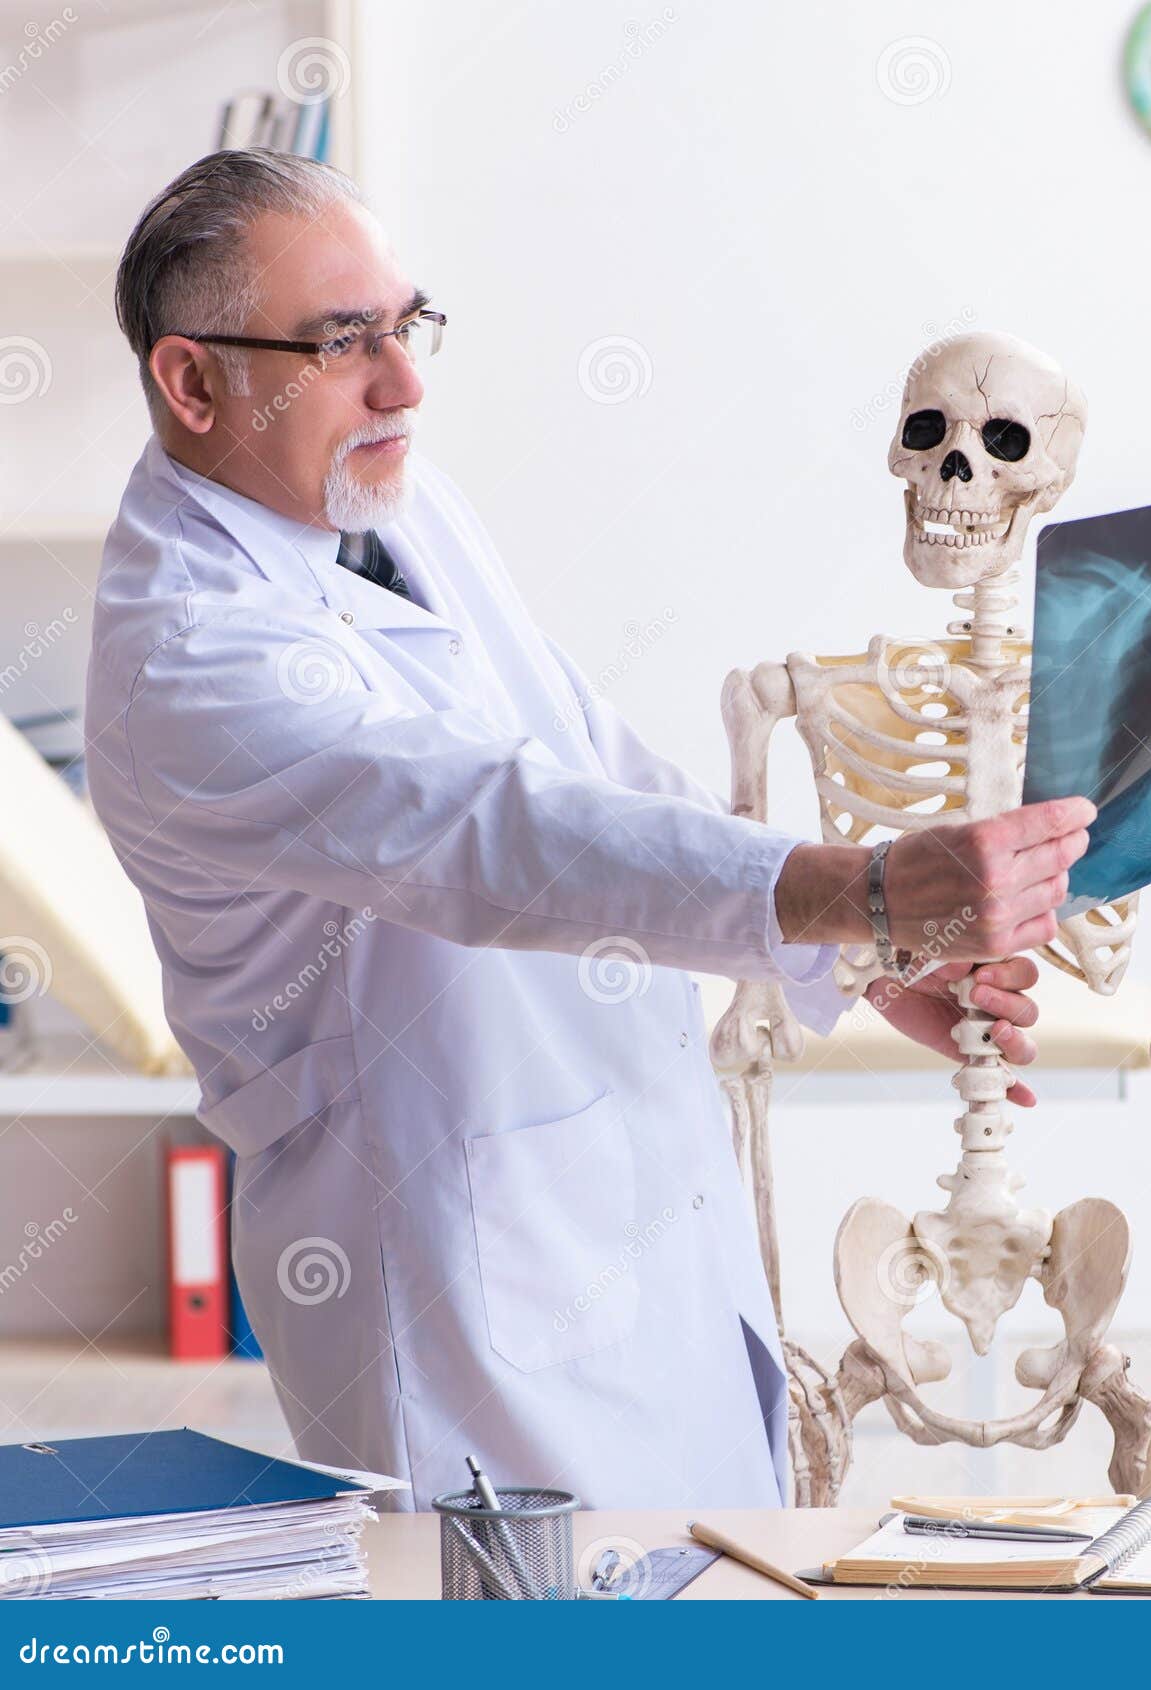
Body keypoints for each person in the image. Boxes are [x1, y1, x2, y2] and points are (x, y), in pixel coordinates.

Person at [84, 150, 1093, 1509]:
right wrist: (854, 890)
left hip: (618, 1197)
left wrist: (849, 956)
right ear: (192, 382)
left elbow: (588, 763)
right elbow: (493, 831)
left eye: (404, 322)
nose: (403, 381)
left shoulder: (385, 494)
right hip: (448, 1276)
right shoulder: (190, 654)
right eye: (340, 342)